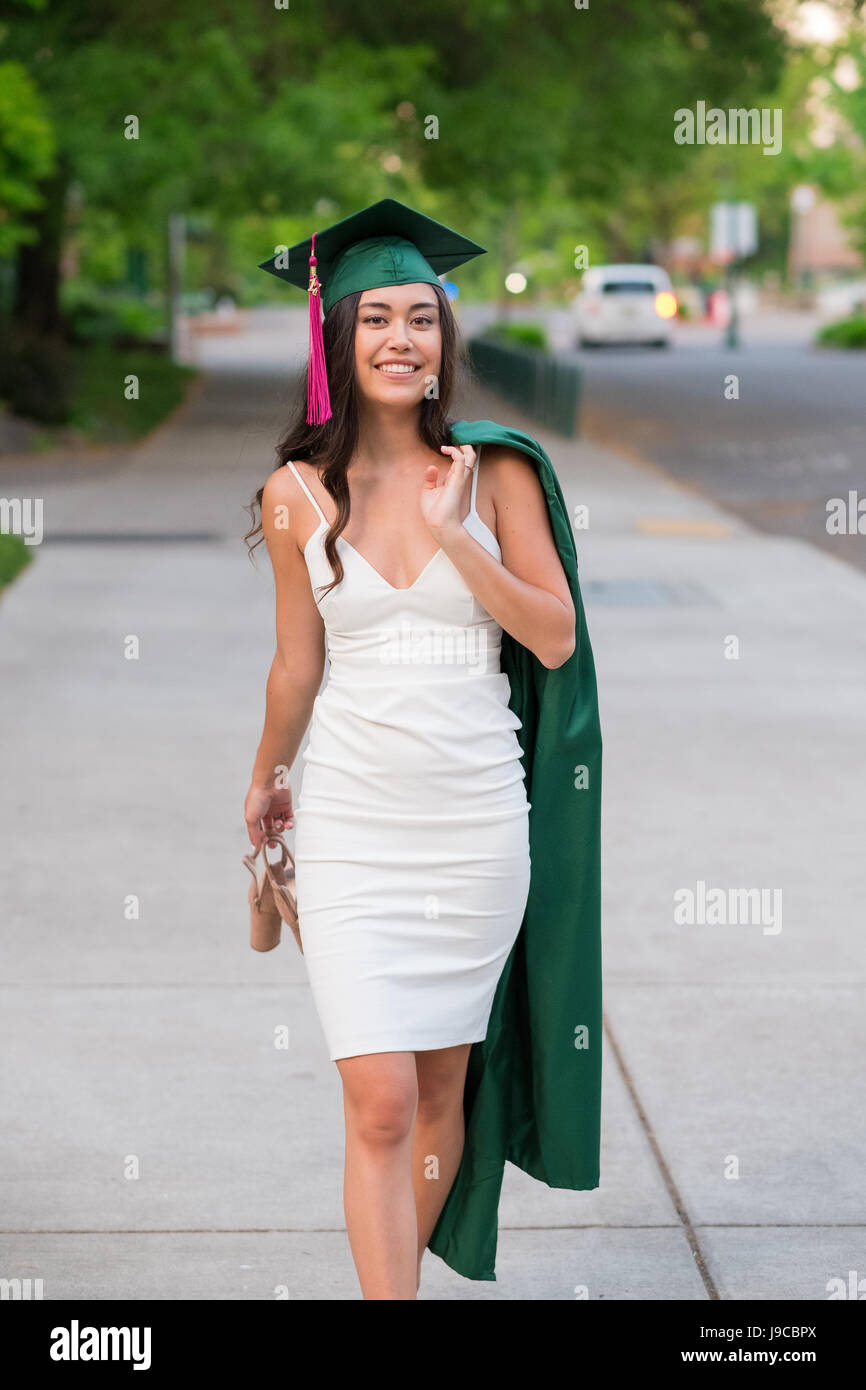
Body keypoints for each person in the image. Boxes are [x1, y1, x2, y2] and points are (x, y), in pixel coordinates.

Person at [244, 199, 601, 1298]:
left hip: (474, 827)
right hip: (354, 822)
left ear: (445, 341)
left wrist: (459, 539)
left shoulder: (493, 473)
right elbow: (298, 667)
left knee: (442, 1090)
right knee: (380, 1099)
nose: (401, 340)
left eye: (422, 319)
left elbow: (550, 634)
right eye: (375, 321)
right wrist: (260, 780)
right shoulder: (297, 495)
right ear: (337, 342)